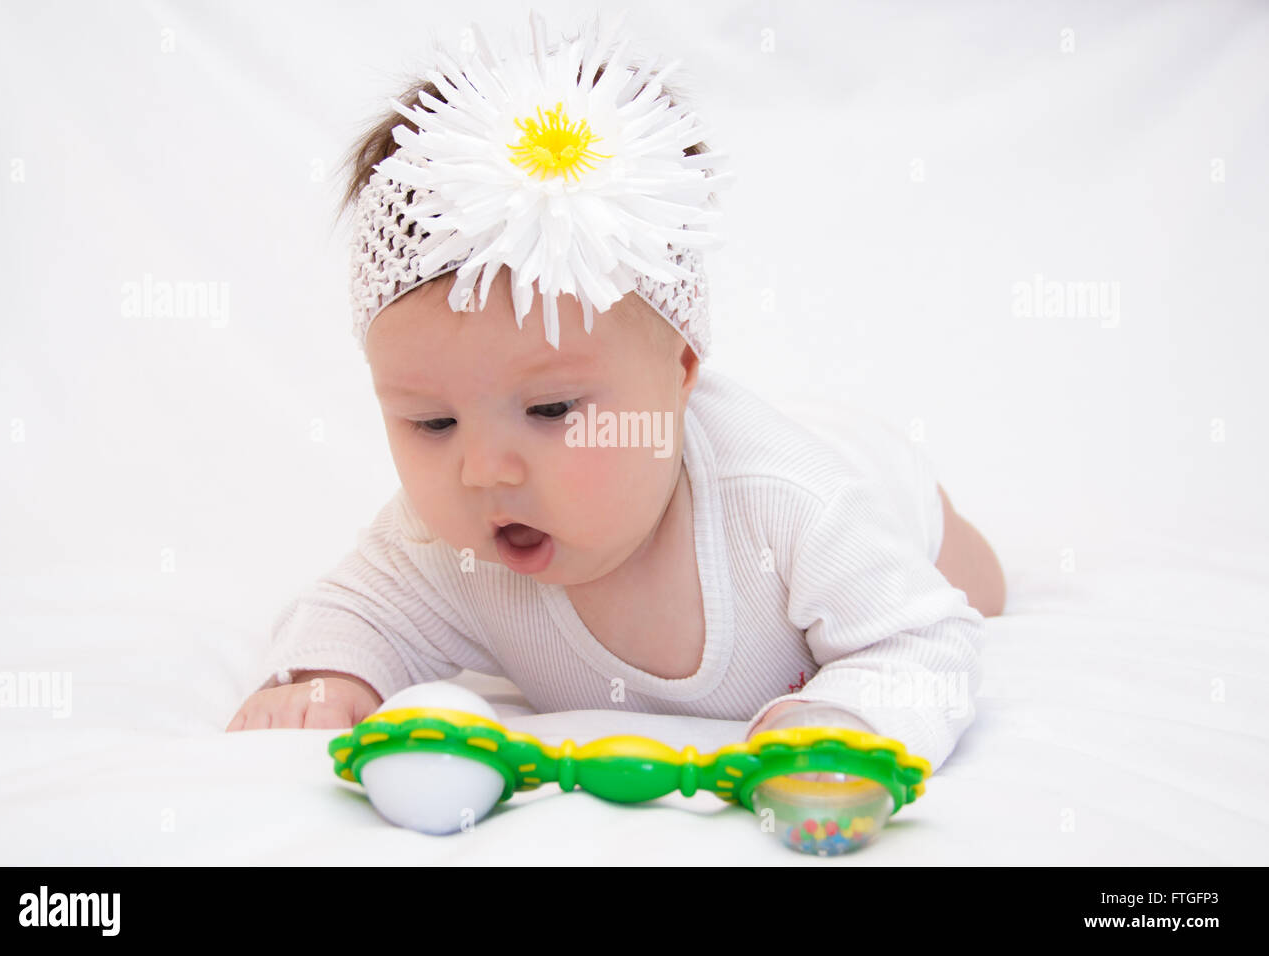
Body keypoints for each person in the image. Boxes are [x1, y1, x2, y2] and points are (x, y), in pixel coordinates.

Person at [226, 11, 1005, 772]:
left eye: (552, 410)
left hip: (865, 468)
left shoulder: (794, 507)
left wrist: (841, 718)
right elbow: (354, 610)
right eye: (433, 422)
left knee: (982, 588)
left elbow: (923, 641)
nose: (484, 470)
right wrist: (328, 677)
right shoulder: (444, 549)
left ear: (681, 372)